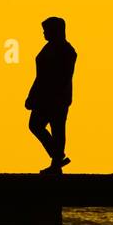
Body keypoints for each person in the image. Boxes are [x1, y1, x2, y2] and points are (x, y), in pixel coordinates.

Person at [25, 16, 77, 175]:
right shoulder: (48, 48)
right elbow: (40, 75)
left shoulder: (67, 51)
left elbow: (64, 76)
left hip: (56, 97)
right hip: (44, 96)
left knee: (56, 128)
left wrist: (53, 95)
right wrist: (32, 95)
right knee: (37, 125)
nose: (43, 33)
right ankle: (57, 158)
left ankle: (57, 161)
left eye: (46, 30)